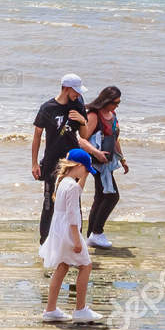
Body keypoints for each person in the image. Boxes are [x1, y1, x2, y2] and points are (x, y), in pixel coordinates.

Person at [30, 73, 105, 243]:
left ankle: (74, 241)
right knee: (50, 203)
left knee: (73, 201)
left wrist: (82, 121)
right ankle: (45, 242)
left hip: (73, 162)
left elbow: (84, 136)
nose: (78, 94)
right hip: (52, 162)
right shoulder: (47, 108)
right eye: (75, 91)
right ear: (65, 88)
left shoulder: (77, 104)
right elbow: (36, 136)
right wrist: (34, 163)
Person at [39, 148, 102, 324]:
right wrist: (77, 241)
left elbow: (77, 192)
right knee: (86, 266)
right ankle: (80, 309)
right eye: (86, 169)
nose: (87, 173)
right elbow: (73, 216)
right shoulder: (71, 187)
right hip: (69, 232)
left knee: (63, 266)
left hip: (58, 230)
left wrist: (85, 175)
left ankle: (50, 310)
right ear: (79, 166)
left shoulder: (64, 182)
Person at [83, 86, 128, 248]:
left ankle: (92, 235)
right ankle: (97, 232)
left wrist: (122, 159)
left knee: (101, 196)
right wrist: (96, 153)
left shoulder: (113, 115)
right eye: (115, 103)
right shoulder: (94, 115)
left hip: (108, 162)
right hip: (96, 162)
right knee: (111, 196)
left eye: (119, 103)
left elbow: (115, 139)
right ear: (106, 101)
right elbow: (82, 139)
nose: (117, 106)